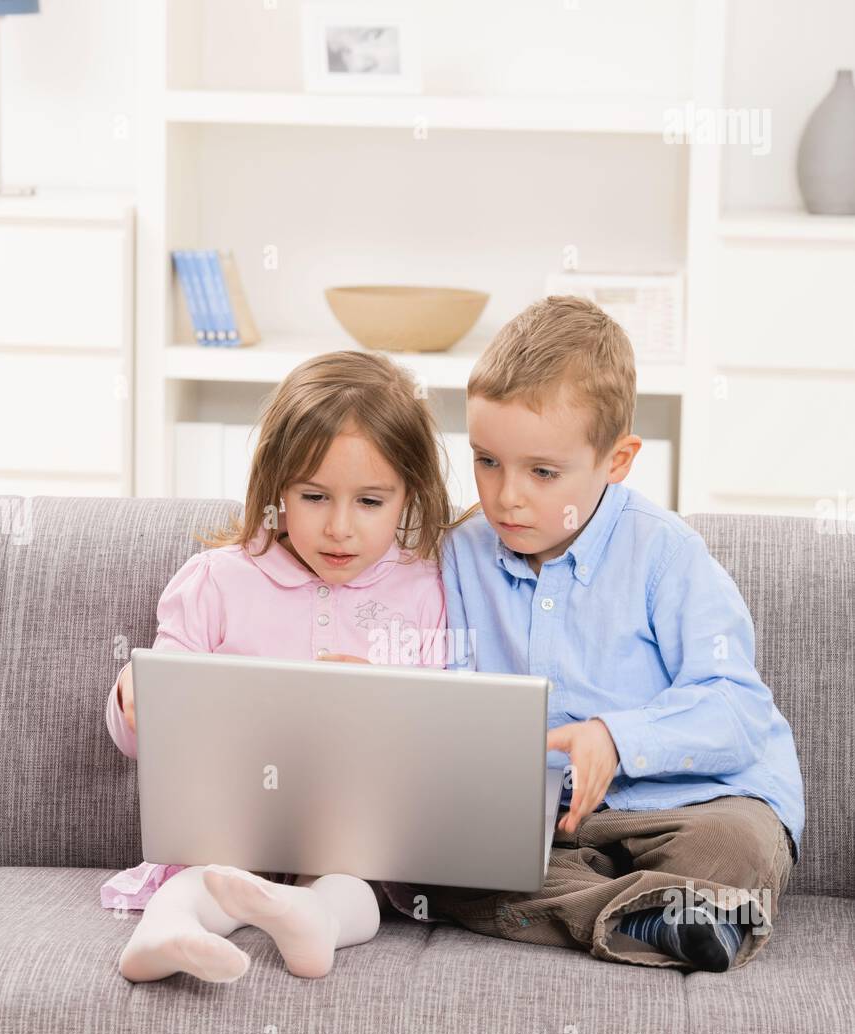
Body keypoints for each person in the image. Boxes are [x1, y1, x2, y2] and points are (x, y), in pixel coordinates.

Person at [414, 295, 805, 973]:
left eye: (542, 472)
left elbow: (735, 707)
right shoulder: (457, 553)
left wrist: (617, 736)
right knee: (432, 865)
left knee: (734, 849)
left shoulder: (666, 554)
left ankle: (648, 908)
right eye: (486, 460)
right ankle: (649, 919)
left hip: (691, 802)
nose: (507, 496)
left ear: (617, 460)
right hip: (549, 820)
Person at [103, 350, 451, 983]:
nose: (340, 528)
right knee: (208, 874)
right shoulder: (220, 579)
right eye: (314, 496)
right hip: (232, 825)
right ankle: (167, 931)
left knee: (353, 887)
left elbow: (445, 739)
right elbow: (146, 735)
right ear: (276, 489)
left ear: (409, 494)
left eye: (371, 501)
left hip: (353, 837)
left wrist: (389, 705)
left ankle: (309, 918)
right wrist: (135, 700)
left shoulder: (425, 590)